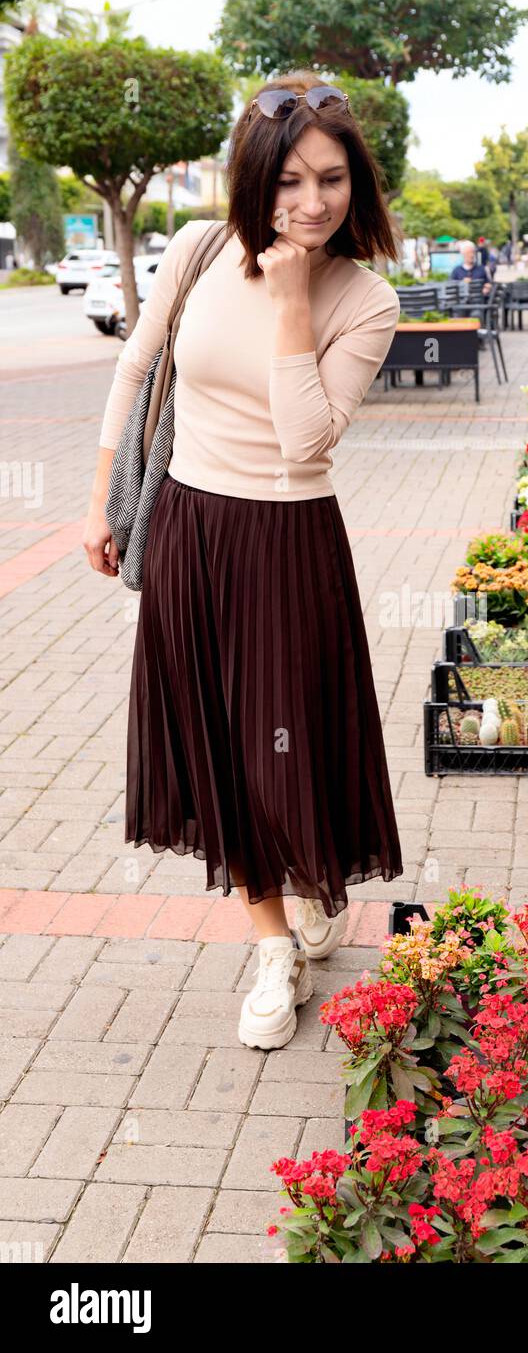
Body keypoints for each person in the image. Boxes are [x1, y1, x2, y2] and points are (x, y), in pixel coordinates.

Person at [83, 72, 405, 1052]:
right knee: (219, 741)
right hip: (187, 525)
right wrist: (106, 497)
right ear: (251, 179)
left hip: (288, 541)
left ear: (358, 185)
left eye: (333, 180)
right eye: (289, 182)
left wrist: (298, 294)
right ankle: (273, 946)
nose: (311, 202)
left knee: (286, 742)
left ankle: (309, 888)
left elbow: (306, 440)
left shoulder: (365, 299)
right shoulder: (197, 249)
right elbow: (137, 365)